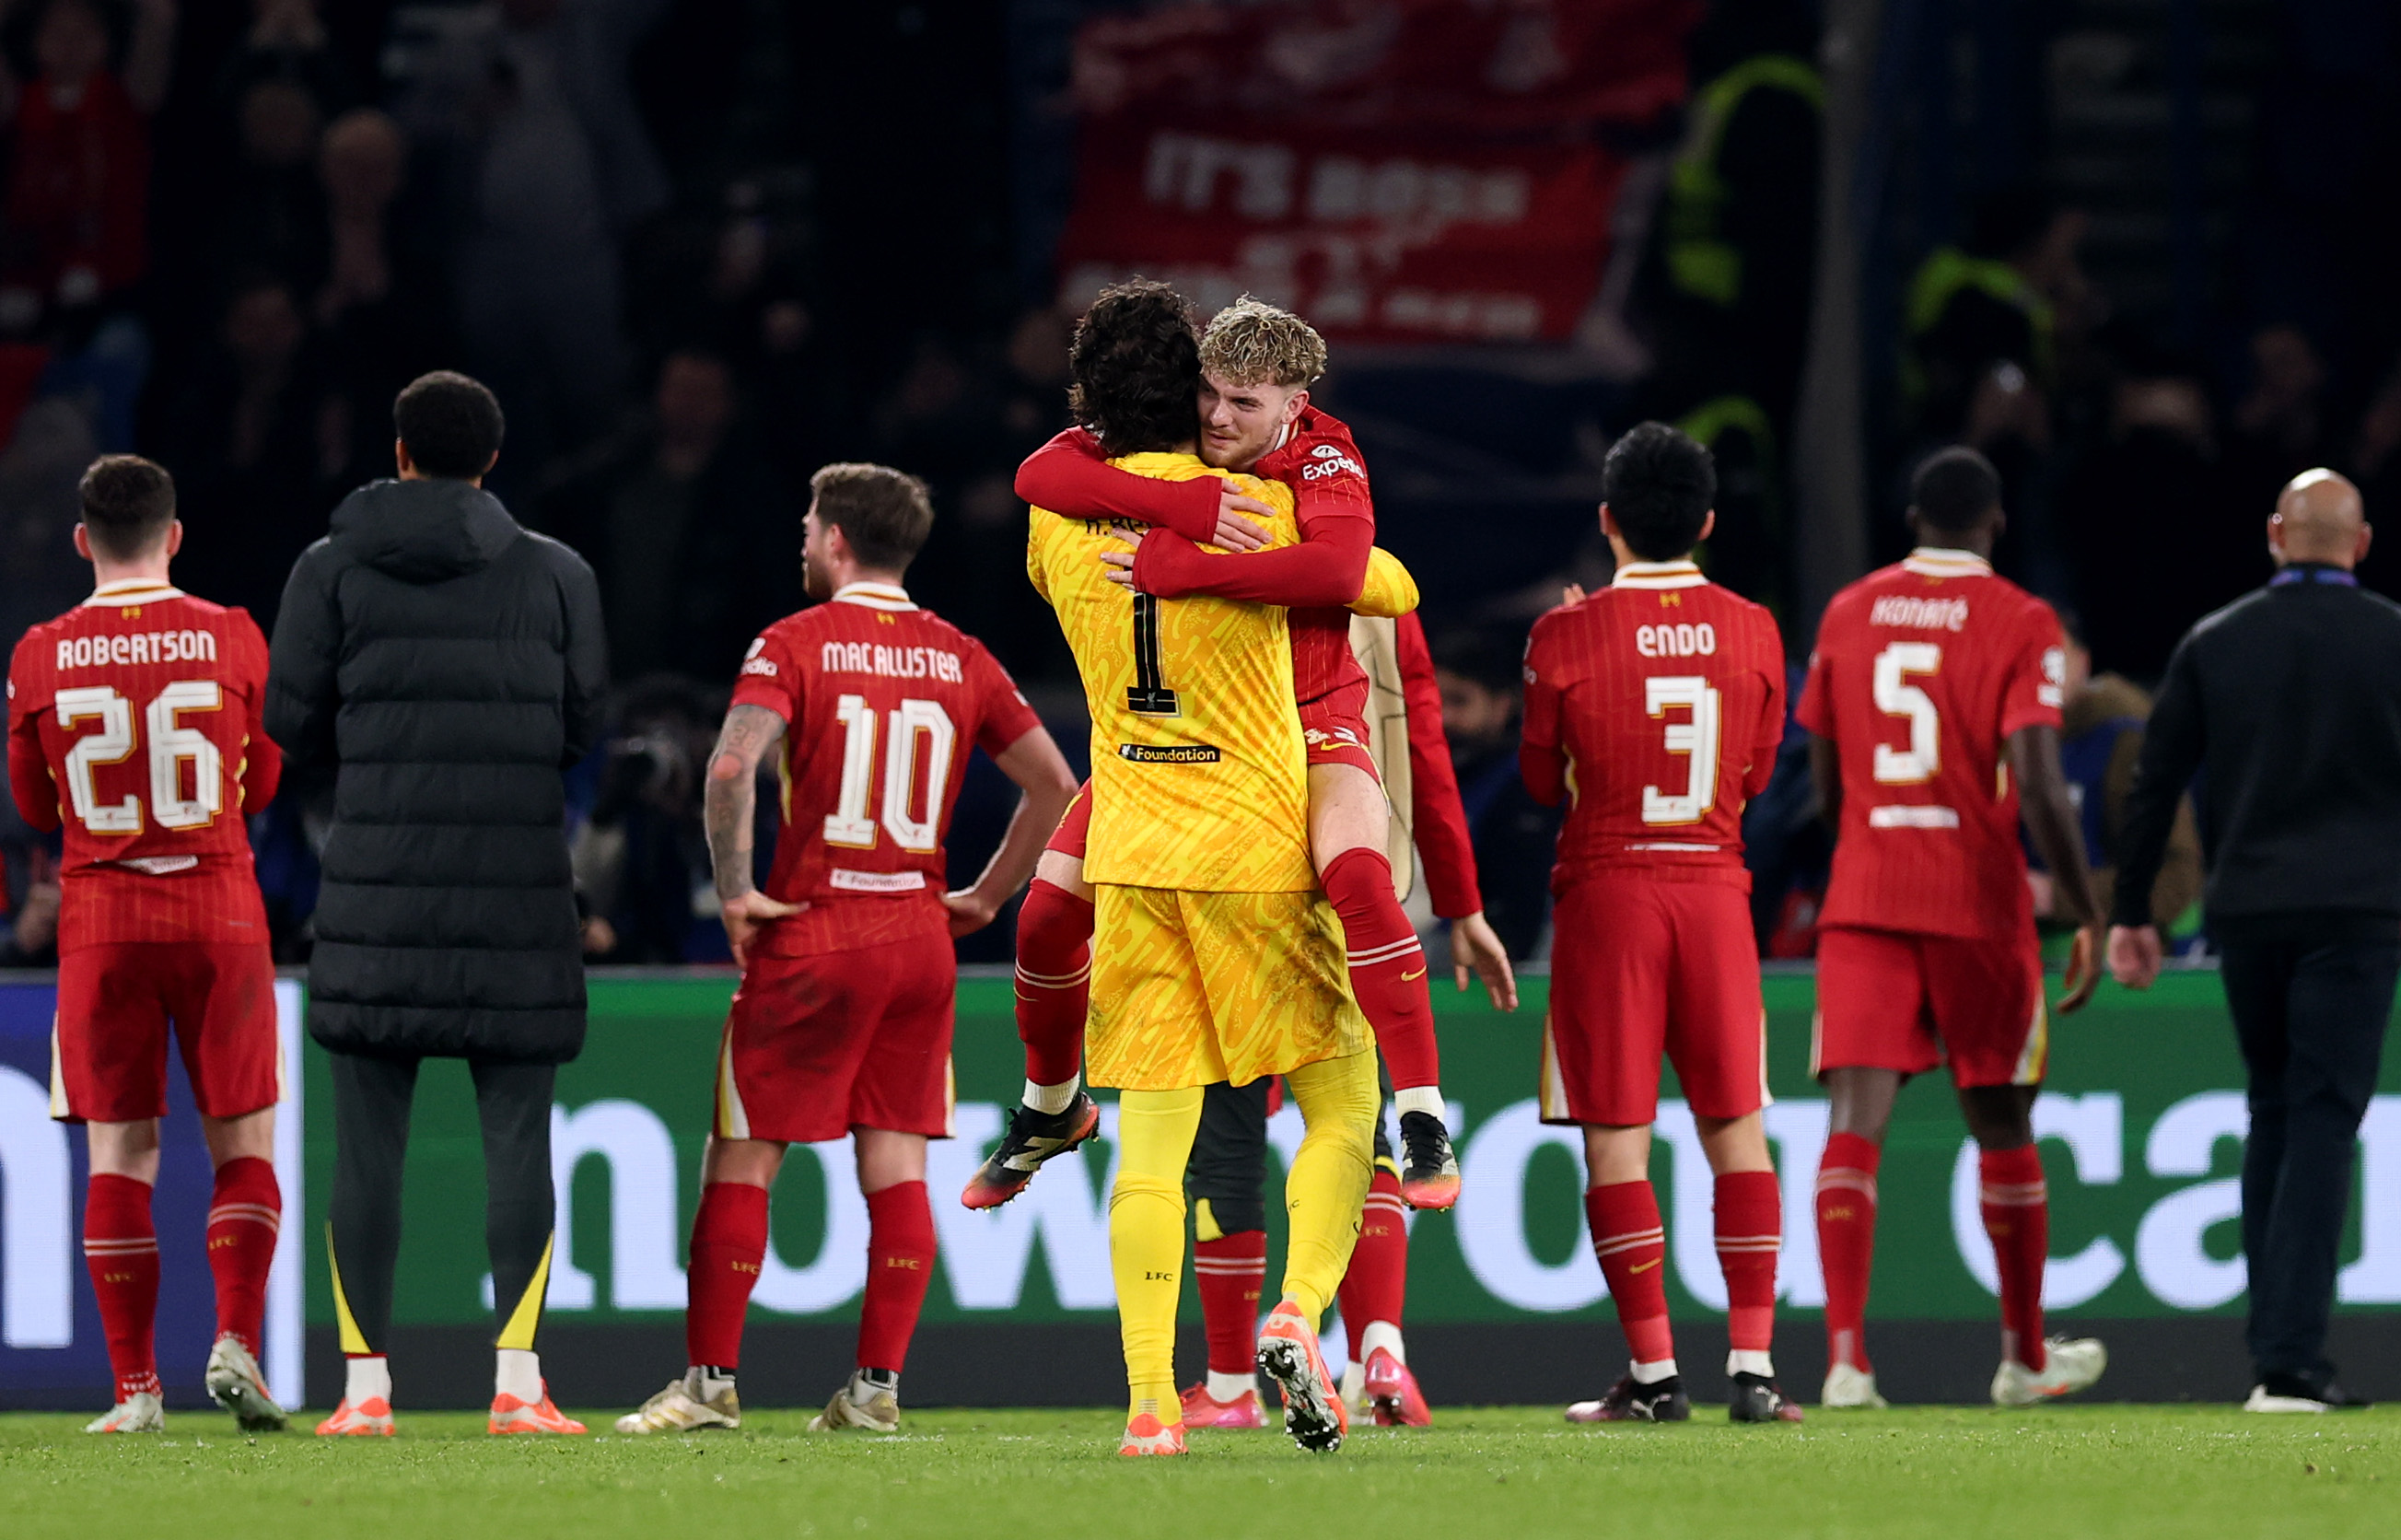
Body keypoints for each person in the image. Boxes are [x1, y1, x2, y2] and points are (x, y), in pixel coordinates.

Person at [978, 296, 1484, 1210]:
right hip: (1195, 733)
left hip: (1310, 715)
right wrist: (1185, 502)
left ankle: (1421, 1115)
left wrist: (1193, 563)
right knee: (1047, 915)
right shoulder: (1183, 445)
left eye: (1245, 405)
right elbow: (1037, 472)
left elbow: (1342, 575)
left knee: (1360, 879)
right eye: (1211, 395)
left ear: (1293, 405)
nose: (1218, 418)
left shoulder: (1324, 455)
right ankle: (1052, 1107)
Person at [612, 463, 1075, 1437]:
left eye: (809, 525)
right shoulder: (961, 654)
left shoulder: (794, 641)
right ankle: (873, 1392)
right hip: (917, 934)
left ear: (834, 541)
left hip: (817, 926)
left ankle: (707, 1386)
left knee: (742, 1157)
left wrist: (736, 890)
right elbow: (1056, 786)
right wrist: (989, 893)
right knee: (896, 1162)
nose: (803, 540)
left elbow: (734, 762)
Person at [1025, 280, 1384, 1456]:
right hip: (1257, 851)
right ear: (1192, 391)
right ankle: (1298, 1309)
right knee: (1343, 1099)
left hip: (1132, 850)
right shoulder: (1254, 509)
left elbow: (1048, 473)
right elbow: (1377, 584)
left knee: (1153, 1148)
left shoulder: (1054, 525)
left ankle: (1148, 1408)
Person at [265, 370, 605, 1437]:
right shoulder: (556, 574)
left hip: (375, 888)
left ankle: (365, 1393)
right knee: (518, 1142)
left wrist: (369, 769)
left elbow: (287, 719)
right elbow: (583, 722)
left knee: (368, 1150)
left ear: (400, 450)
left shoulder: (328, 568)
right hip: (518, 894)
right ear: (490, 461)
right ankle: (517, 1382)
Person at [1801, 446, 2109, 1410]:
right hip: (1977, 898)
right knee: (2003, 1120)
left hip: (1866, 893)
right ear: (1997, 523)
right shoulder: (2023, 619)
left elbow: (1822, 771)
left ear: (1911, 520)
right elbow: (2039, 770)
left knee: (1855, 1123)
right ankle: (2022, 1360)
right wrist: (2087, 905)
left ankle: (1848, 1363)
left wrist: (1855, 845)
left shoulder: (1850, 610)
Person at [1514, 423, 1798, 1424]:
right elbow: (1758, 774)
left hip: (1609, 896)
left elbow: (1542, 781)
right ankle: (1756, 1372)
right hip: (1716, 892)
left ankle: (1653, 1375)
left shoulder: (1564, 637)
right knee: (1738, 1132)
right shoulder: (1757, 628)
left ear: (1608, 521)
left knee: (1617, 1144)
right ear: (1708, 521)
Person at [1177, 609, 1520, 1433]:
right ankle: (1381, 1353)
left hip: (1227, 879)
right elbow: (1426, 757)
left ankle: (1228, 1386)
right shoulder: (1376, 592)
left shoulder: (1200, 565)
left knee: (1224, 1129)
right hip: (1351, 885)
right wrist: (1462, 905)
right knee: (1351, 1121)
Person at [2108, 470, 2401, 1414]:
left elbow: (2155, 784)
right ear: (2359, 545)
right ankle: (2288, 1362)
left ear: (2277, 534)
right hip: (2358, 914)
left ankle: (2275, 1349)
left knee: (2274, 1110)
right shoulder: (2393, 640)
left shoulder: (2217, 640)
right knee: (2320, 1118)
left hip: (2252, 913)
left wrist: (2130, 914)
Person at [6, 455, 286, 1433]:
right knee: (241, 1139)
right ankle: (237, 1341)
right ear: (174, 536)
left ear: (83, 541)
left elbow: (34, 804)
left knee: (121, 1151)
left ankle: (135, 1393)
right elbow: (261, 787)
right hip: (219, 911)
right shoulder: (233, 634)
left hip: (101, 923)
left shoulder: (39, 652)